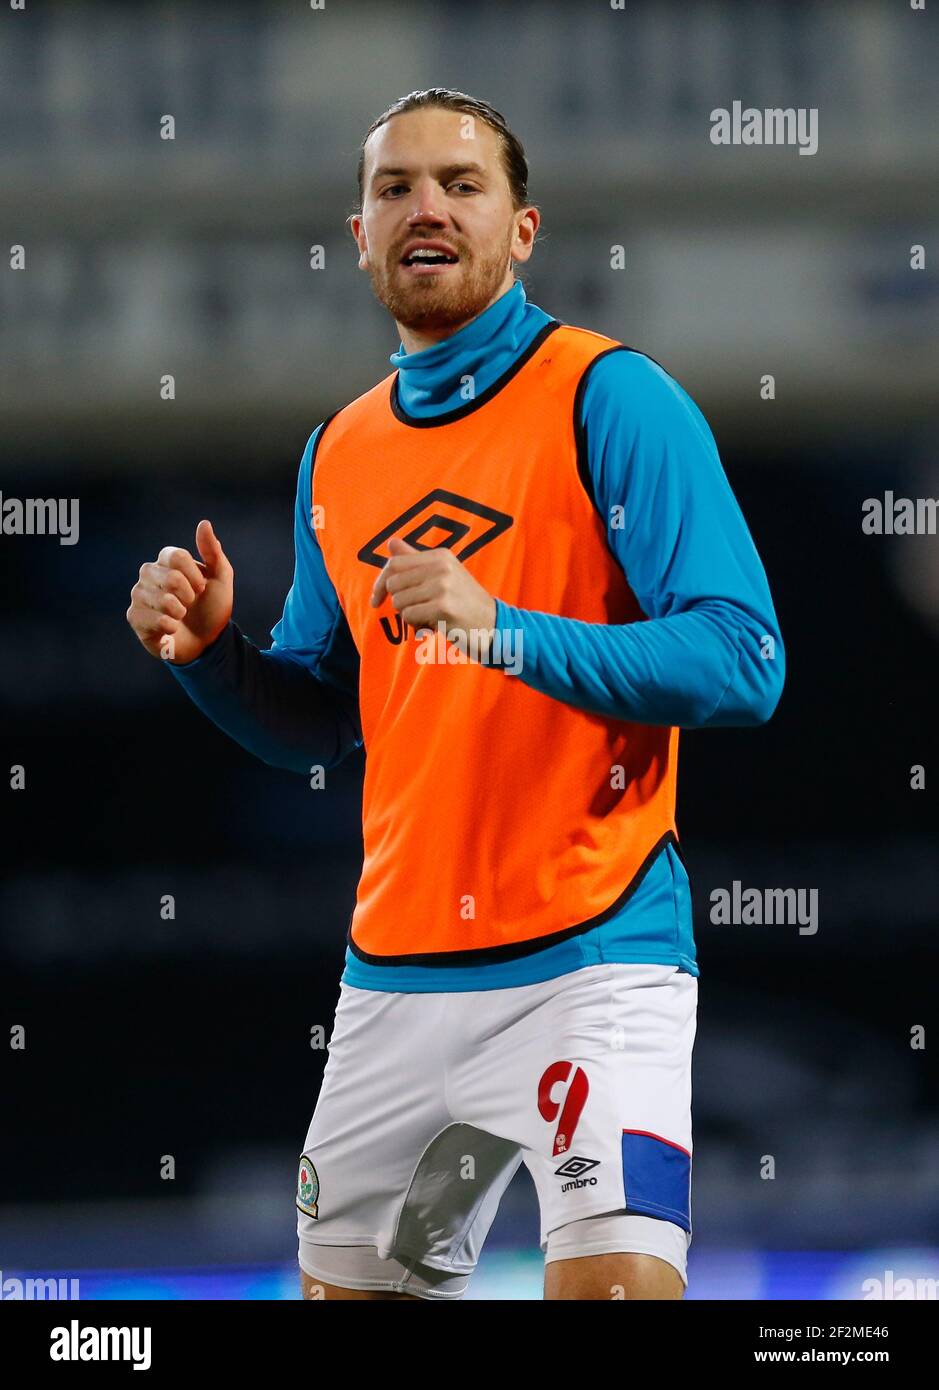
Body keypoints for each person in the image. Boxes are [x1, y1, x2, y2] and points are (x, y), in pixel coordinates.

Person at [126, 88, 785, 1301]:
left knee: (617, 1293)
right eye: (395, 189)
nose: (426, 206)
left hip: (592, 962)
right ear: (359, 234)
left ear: (522, 230)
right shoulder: (344, 449)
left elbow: (745, 659)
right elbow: (325, 719)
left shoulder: (612, 399)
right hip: (397, 982)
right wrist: (214, 655)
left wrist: (508, 633)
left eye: (461, 184)